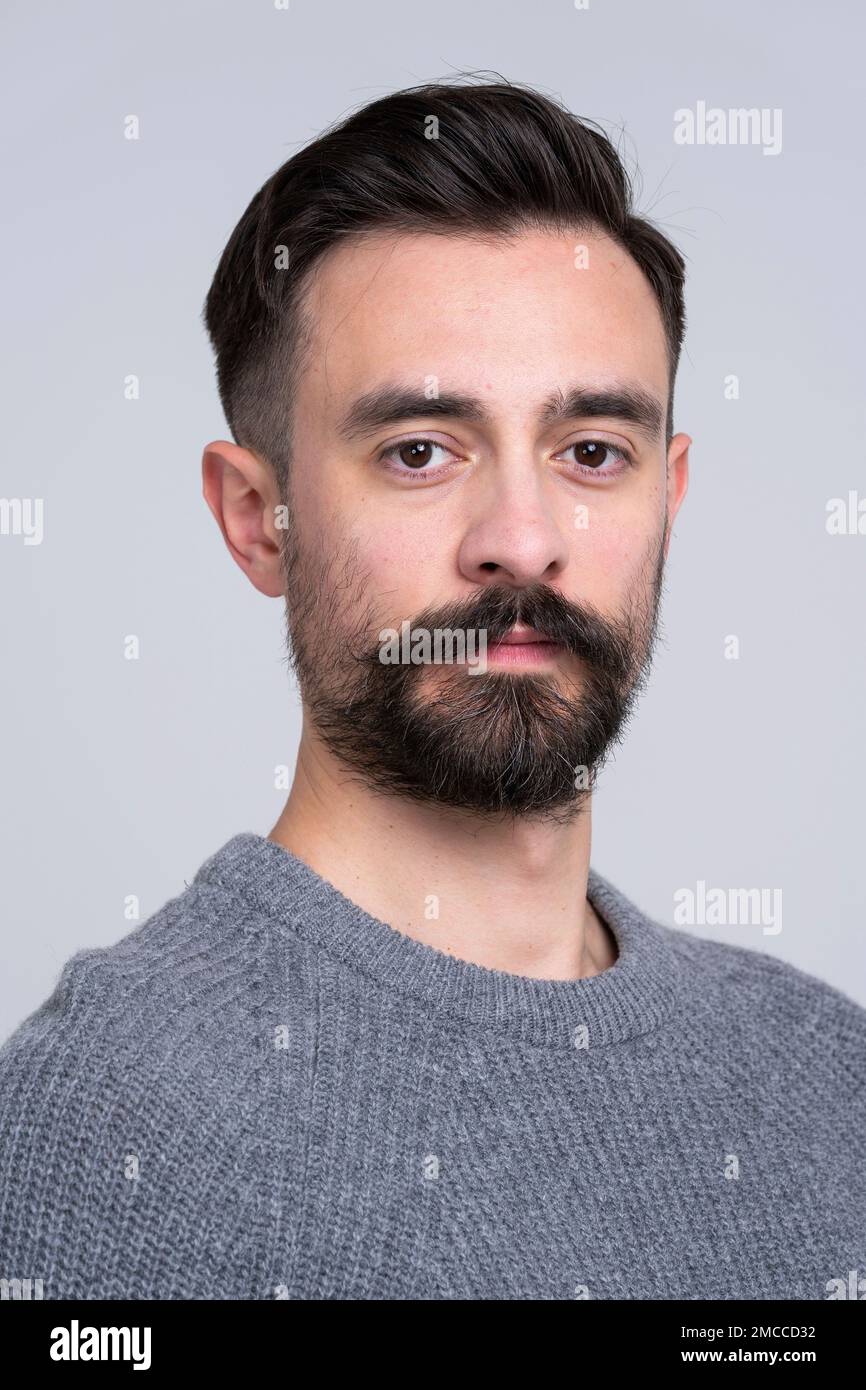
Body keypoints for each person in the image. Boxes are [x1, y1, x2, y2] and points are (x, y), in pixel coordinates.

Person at [1, 78, 863, 1302]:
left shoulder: (826, 1075)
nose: (521, 538)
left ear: (668, 496)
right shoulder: (98, 1132)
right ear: (258, 520)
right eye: (418, 451)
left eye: (590, 452)